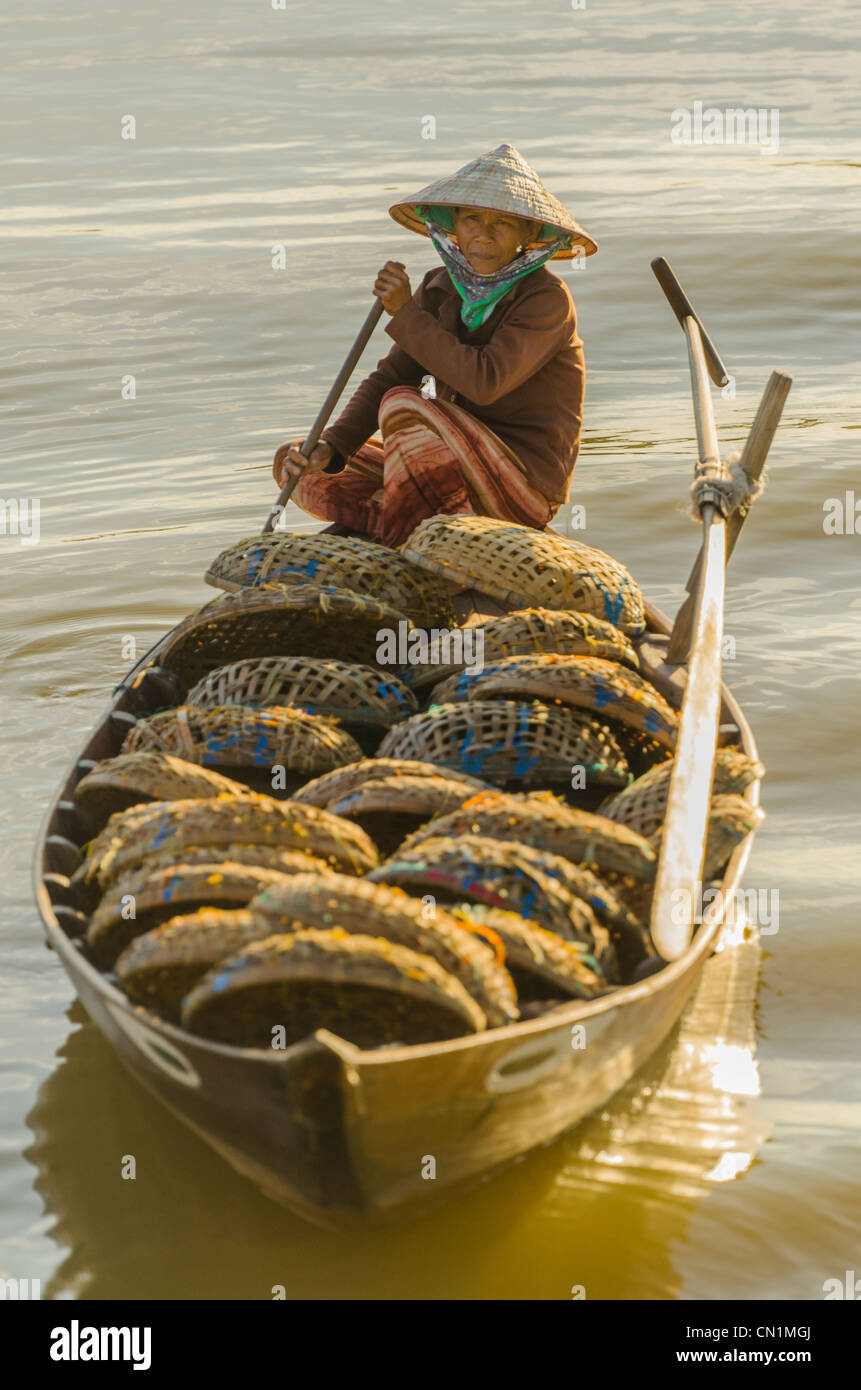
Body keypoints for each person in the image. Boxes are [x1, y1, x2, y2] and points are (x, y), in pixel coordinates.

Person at [272, 142, 598, 549]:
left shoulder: (545, 299)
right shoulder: (440, 285)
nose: (483, 233)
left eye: (503, 223)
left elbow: (484, 382)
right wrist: (332, 448)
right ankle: (411, 522)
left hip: (522, 484)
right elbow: (390, 374)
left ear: (528, 234)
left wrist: (405, 313)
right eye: (472, 219)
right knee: (296, 462)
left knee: (405, 405)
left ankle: (408, 533)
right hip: (454, 472)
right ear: (454, 226)